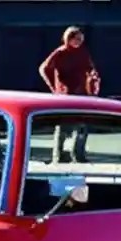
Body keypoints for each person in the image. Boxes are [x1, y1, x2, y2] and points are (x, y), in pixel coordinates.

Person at [39, 26, 101, 162]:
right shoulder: (60, 52)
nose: (79, 42)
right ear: (69, 38)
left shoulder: (83, 52)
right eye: (76, 39)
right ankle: (58, 156)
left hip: (82, 93)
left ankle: (78, 155)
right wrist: (53, 87)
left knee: (82, 125)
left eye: (81, 39)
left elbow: (90, 68)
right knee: (62, 126)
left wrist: (93, 76)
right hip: (65, 95)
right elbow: (43, 68)